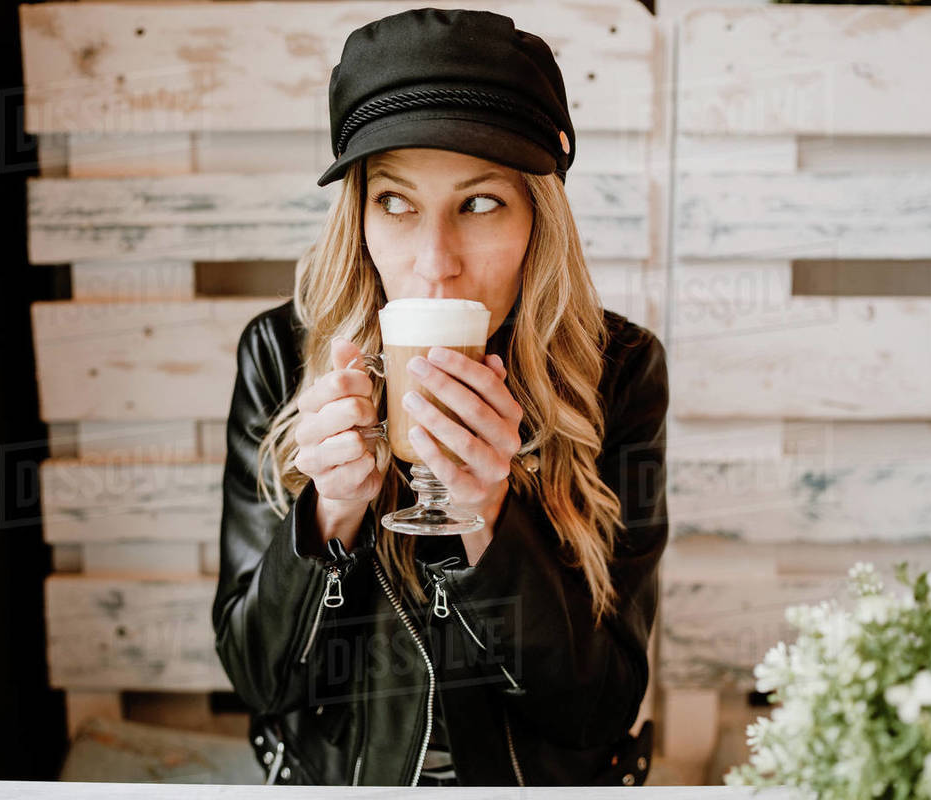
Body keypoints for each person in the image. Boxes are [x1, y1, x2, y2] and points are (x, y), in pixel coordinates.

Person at [211, 7, 668, 787]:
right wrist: (326, 518)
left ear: (538, 221)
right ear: (358, 216)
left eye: (480, 203)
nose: (435, 263)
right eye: (395, 201)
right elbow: (259, 681)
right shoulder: (281, 356)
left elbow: (600, 708)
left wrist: (492, 520)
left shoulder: (616, 368)